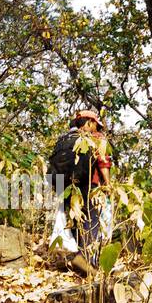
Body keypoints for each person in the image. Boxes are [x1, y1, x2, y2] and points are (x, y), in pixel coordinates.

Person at [48, 109, 114, 273]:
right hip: (88, 185)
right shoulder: (95, 138)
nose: (96, 129)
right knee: (91, 220)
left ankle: (71, 259)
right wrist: (108, 185)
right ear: (89, 123)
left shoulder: (64, 139)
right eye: (95, 125)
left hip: (66, 186)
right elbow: (103, 162)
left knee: (73, 219)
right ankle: (86, 262)